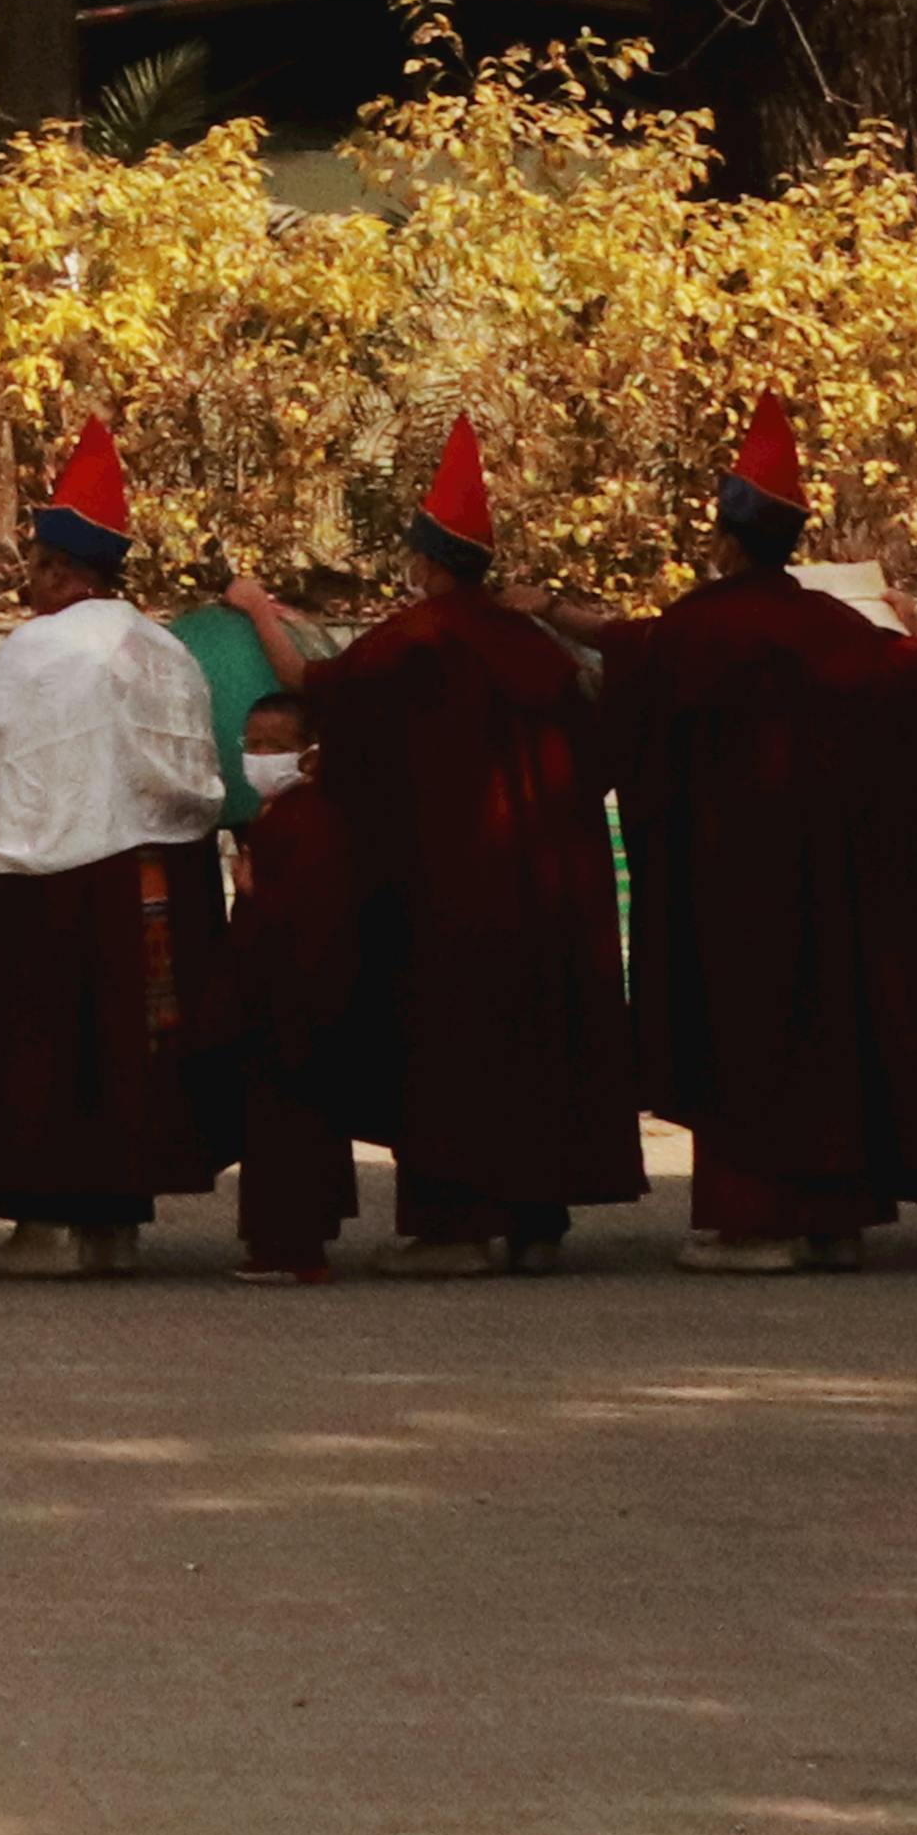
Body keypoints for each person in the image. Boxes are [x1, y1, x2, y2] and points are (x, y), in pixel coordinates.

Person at [232, 417, 642, 1281]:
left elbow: (315, 688)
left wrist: (260, 611)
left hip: (450, 884)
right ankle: (536, 1221)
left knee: (452, 1046)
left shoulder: (418, 639)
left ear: (425, 563)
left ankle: (453, 1225)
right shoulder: (536, 647)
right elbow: (600, 748)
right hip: (550, 884)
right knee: (538, 1038)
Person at [584, 402, 917, 1270]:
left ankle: (756, 1221)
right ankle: (835, 1217)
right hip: (830, 876)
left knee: (743, 1033)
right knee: (828, 1026)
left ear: (729, 543)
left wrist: (552, 612)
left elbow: (629, 673)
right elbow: (905, 712)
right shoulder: (836, 627)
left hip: (728, 880)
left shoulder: (697, 628)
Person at [0, 417, 245, 1280]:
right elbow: (193, 774)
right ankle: (114, 1224)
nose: (29, 581)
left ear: (63, 570)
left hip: (45, 887)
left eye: (36, 565)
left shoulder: (34, 651)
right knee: (129, 1052)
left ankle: (52, 1226)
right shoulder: (163, 647)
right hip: (153, 879)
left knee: (51, 1048)